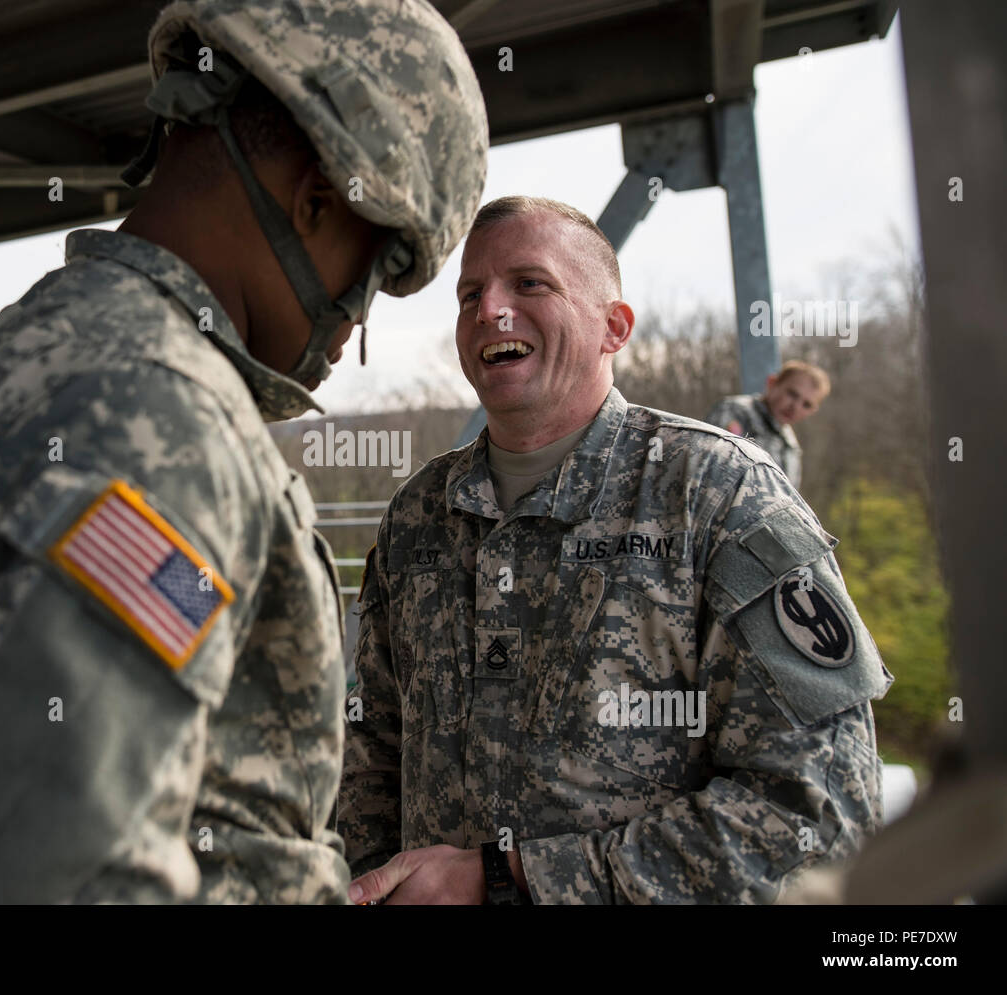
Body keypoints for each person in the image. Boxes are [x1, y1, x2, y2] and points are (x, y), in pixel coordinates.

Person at [0, 0, 488, 904]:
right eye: (375, 271)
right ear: (317, 201)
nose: (357, 327)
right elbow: (55, 866)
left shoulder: (28, 359)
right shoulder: (158, 410)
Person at [338, 196, 891, 905]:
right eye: (469, 293)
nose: (489, 309)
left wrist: (513, 884)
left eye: (529, 283)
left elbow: (823, 812)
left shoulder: (719, 494)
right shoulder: (417, 516)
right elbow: (372, 755)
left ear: (614, 327)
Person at [705, 361, 831, 489]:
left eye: (806, 405)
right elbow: (712, 471)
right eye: (792, 394)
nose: (795, 407)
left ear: (812, 411)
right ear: (772, 383)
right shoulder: (736, 412)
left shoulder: (791, 445)